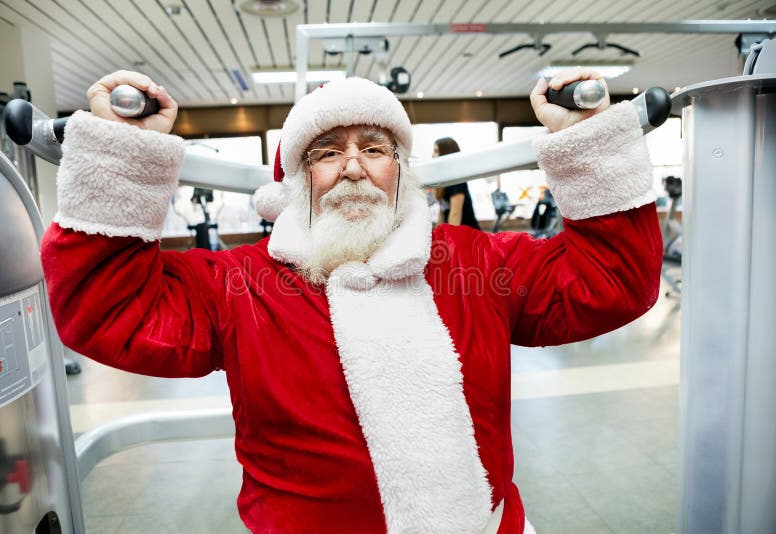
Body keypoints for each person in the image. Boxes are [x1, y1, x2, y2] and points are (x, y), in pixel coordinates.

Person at [41, 69, 662, 533]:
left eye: (374, 147)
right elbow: (106, 310)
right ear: (297, 177)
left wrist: (590, 143)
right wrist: (121, 157)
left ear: (400, 168)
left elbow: (610, 281)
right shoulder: (240, 283)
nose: (354, 167)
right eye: (328, 153)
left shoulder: (475, 261)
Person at [432, 137, 481, 229]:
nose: (433, 155)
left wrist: (449, 240)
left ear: (445, 153)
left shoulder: (457, 181)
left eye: (436, 151)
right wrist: (437, 237)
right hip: (455, 233)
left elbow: (455, 214)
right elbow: (442, 211)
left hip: (467, 235)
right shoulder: (444, 180)